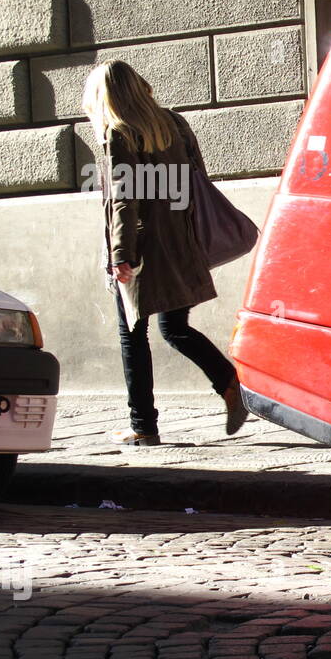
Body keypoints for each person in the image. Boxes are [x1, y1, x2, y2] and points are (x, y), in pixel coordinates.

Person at [83, 61, 248, 446]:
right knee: (174, 327)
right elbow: (196, 181)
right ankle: (229, 384)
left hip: (143, 248)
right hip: (181, 241)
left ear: (105, 97)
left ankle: (143, 425)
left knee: (132, 333)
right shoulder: (174, 124)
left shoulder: (119, 134)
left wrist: (121, 253)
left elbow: (125, 199)